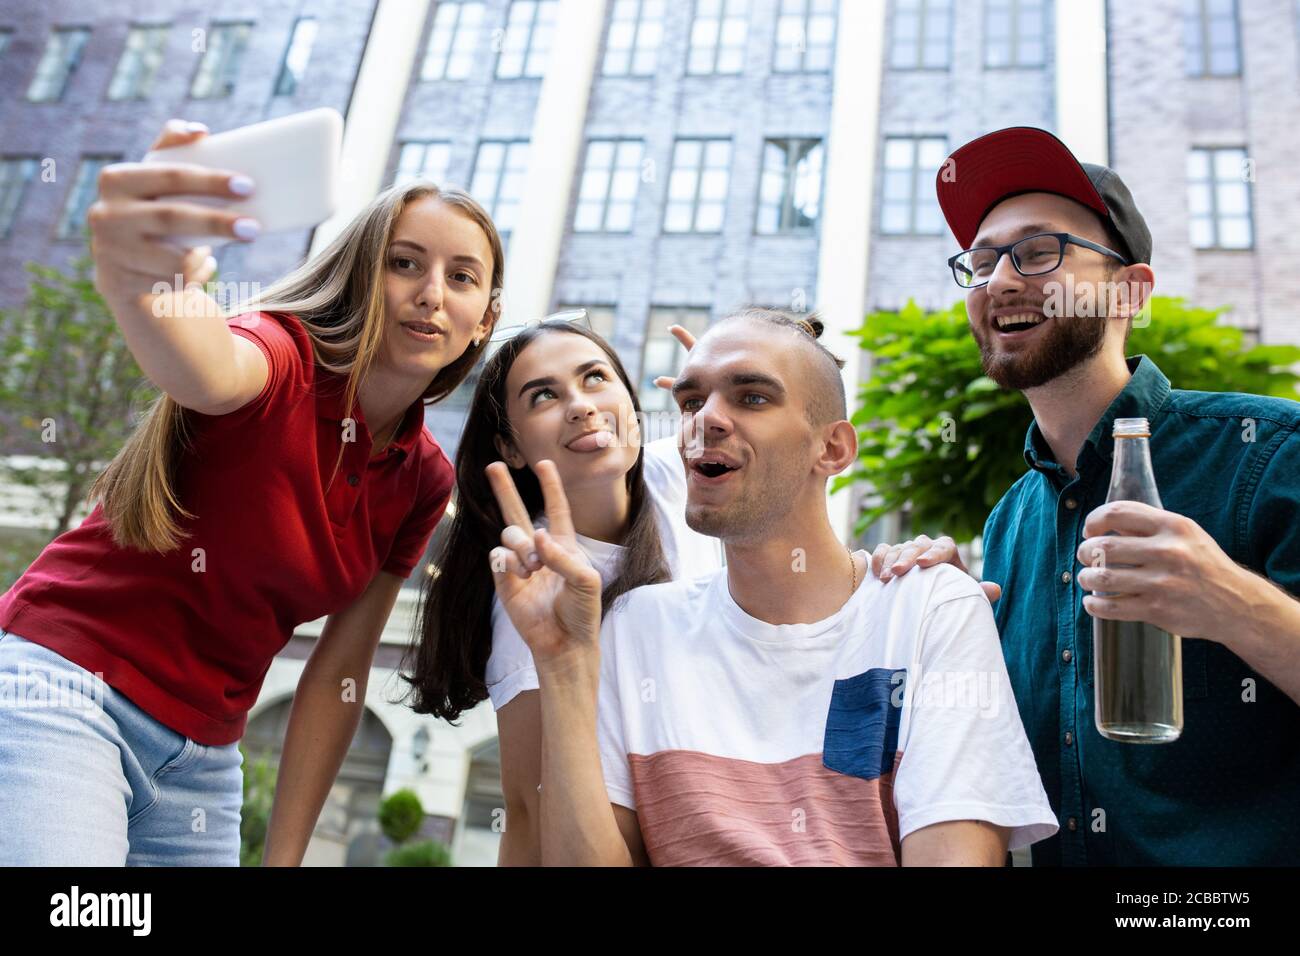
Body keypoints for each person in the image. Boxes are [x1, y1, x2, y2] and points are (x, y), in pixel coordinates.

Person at [0, 118, 503, 866]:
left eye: (462, 277)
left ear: (484, 319)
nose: (432, 293)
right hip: (68, 692)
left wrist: (286, 856)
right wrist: (145, 279)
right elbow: (205, 363)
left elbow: (339, 671)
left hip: (204, 760)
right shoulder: (281, 357)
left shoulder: (425, 478)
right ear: (365, 274)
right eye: (405, 263)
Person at [485, 307, 1058, 865]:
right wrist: (562, 664)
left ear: (832, 449)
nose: (704, 419)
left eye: (752, 397)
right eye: (691, 401)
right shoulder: (632, 626)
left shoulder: (933, 609)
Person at [879, 126, 1300, 865]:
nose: (999, 281)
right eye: (980, 262)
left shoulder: (1271, 452)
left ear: (1131, 290)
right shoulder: (1009, 522)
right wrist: (941, 625)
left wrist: (1229, 601)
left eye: (1037, 252)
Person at [404, 316, 723, 865]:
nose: (580, 404)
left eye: (596, 377)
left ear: (636, 411)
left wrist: (726, 390)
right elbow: (531, 816)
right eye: (545, 395)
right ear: (513, 447)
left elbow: (803, 448)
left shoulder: (680, 477)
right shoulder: (532, 594)